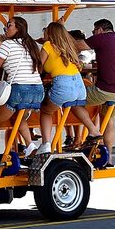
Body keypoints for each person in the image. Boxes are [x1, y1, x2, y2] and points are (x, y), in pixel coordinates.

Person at [72, 18, 115, 160]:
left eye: (94, 31)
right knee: (107, 118)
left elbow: (77, 45)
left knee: (72, 99)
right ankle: (108, 158)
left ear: (99, 30)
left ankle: (92, 131)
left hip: (107, 90)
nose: (93, 34)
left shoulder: (102, 38)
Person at [0, 16, 44, 172]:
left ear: (18, 28)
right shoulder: (32, 45)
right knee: (18, 116)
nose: (6, 29)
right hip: (37, 90)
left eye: (9, 26)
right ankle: (30, 146)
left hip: (19, 90)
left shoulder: (7, 44)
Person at [38, 22, 101, 155]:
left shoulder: (48, 45)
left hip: (63, 83)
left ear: (50, 33)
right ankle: (94, 131)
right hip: (79, 83)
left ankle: (46, 145)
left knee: (46, 111)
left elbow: (39, 66)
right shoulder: (69, 46)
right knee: (77, 106)